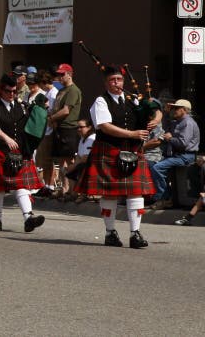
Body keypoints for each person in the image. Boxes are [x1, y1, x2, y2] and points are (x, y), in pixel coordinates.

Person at [75, 65, 159, 249]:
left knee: (135, 192)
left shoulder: (133, 99)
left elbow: (156, 109)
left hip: (133, 151)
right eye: (112, 80)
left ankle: (135, 233)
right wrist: (132, 134)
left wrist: (155, 120)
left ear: (123, 81)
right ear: (106, 83)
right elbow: (105, 126)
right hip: (109, 150)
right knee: (110, 193)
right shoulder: (101, 101)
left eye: (119, 79)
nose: (116, 83)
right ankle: (110, 232)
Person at [0, 74, 46, 234]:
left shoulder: (20, 105)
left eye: (14, 91)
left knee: (21, 185)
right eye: (8, 91)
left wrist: (39, 111)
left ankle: (28, 218)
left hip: (18, 151)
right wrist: (7, 139)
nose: (12, 94)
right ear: (1, 90)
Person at [150, 99, 200, 210]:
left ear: (184, 110)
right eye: (173, 108)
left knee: (157, 168)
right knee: (154, 165)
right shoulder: (178, 121)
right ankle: (168, 198)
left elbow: (183, 143)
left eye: (176, 108)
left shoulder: (187, 122)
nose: (174, 110)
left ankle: (165, 199)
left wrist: (170, 138)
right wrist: (166, 112)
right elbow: (166, 125)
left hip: (186, 156)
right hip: (177, 156)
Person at [46, 64, 82, 198]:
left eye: (62, 74)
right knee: (60, 161)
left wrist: (51, 118)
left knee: (69, 160)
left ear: (69, 74)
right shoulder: (61, 90)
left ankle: (72, 189)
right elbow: (57, 108)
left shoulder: (73, 90)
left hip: (68, 128)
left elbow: (66, 110)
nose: (59, 77)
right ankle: (63, 188)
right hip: (59, 128)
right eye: (58, 74)